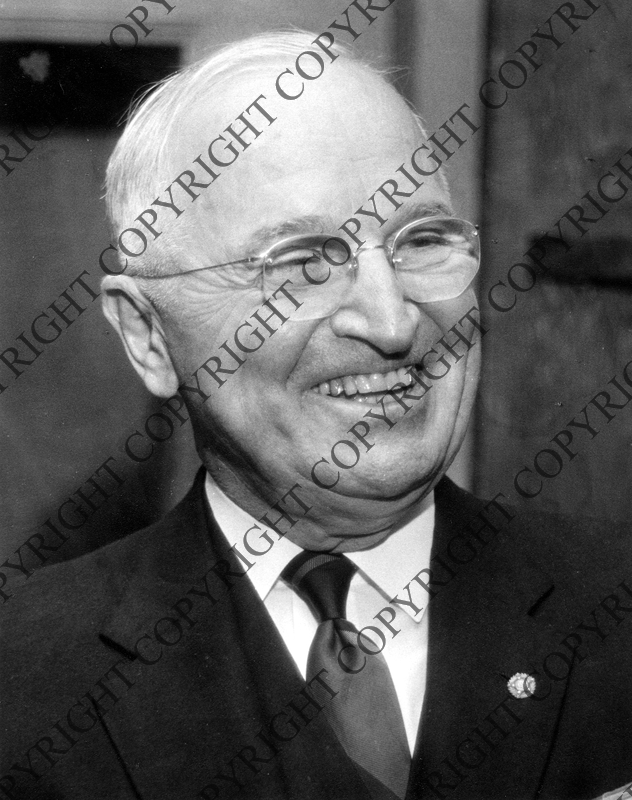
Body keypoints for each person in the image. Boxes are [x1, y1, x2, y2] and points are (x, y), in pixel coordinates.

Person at [1, 31, 631, 800]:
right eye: (302, 263)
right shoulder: (27, 685)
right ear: (149, 336)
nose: (393, 322)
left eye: (421, 241)